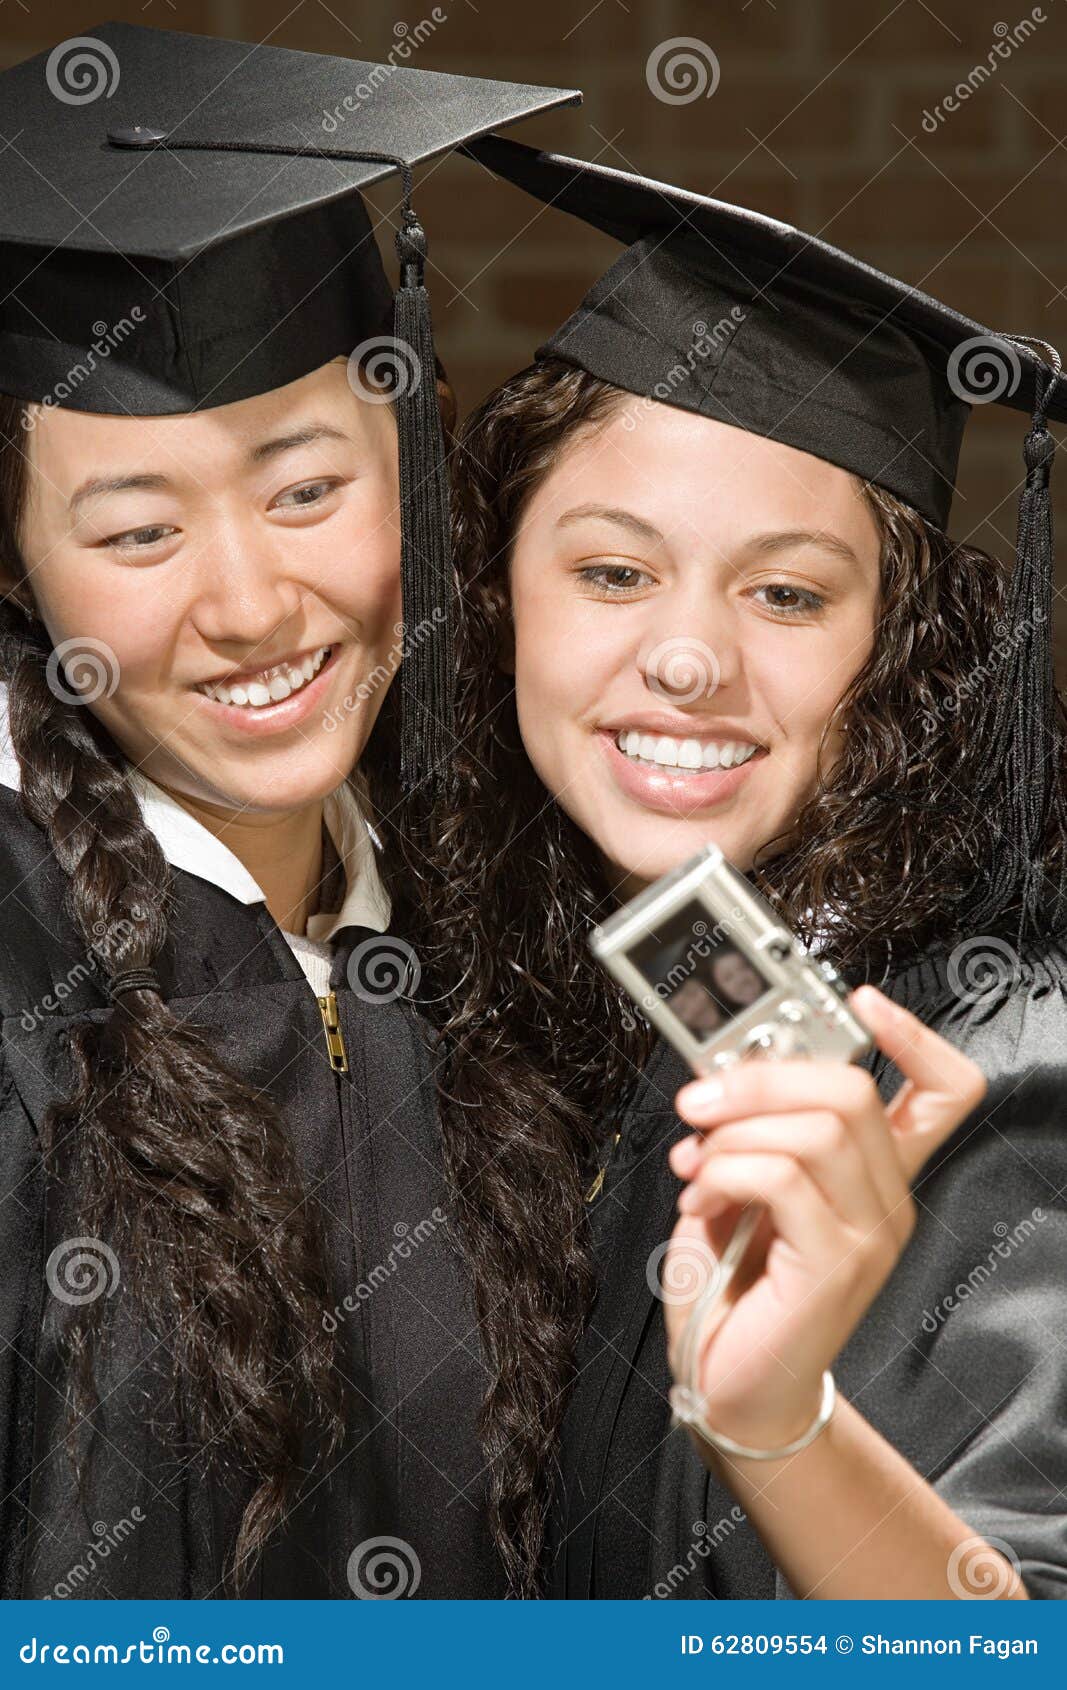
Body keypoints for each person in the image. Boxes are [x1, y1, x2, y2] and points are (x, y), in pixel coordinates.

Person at [408, 135, 1067, 1599]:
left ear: (901, 648)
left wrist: (779, 1423)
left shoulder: (990, 1064)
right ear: (493, 582)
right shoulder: (525, 990)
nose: (691, 658)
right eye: (614, 571)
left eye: (786, 592)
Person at [0, 22, 578, 1599]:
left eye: (308, 487)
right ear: (21, 574)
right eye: (134, 531)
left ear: (414, 462)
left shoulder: (501, 916)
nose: (249, 602)